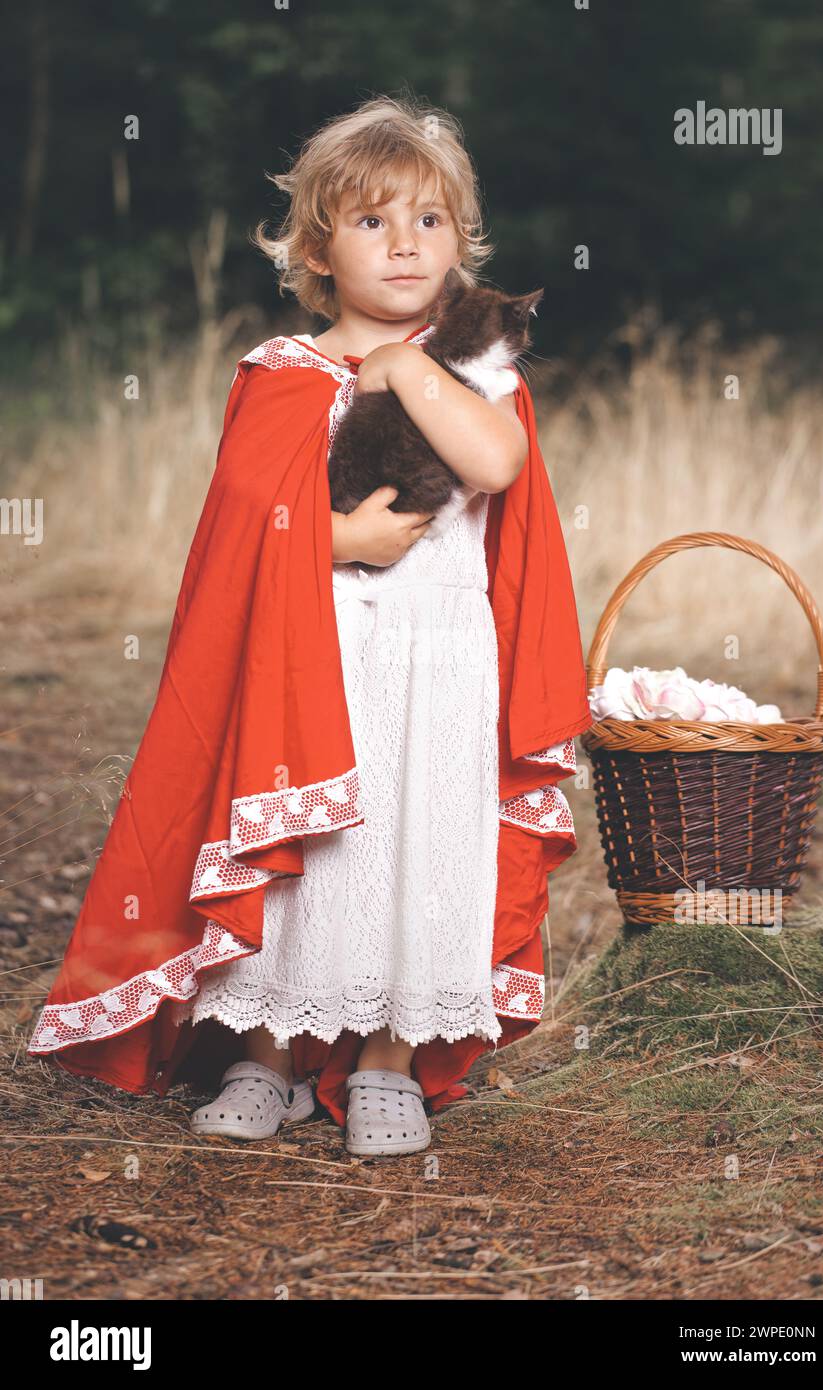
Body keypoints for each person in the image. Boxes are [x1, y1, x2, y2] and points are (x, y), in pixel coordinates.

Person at [27, 92, 593, 1157]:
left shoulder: (474, 375)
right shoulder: (281, 375)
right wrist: (341, 543)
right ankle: (267, 1052)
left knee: (422, 848)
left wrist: (402, 368)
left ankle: (386, 1061)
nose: (403, 245)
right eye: (372, 221)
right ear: (317, 248)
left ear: (459, 243)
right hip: (314, 660)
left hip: (444, 663)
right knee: (312, 859)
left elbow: (496, 465)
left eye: (427, 221)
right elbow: (240, 541)